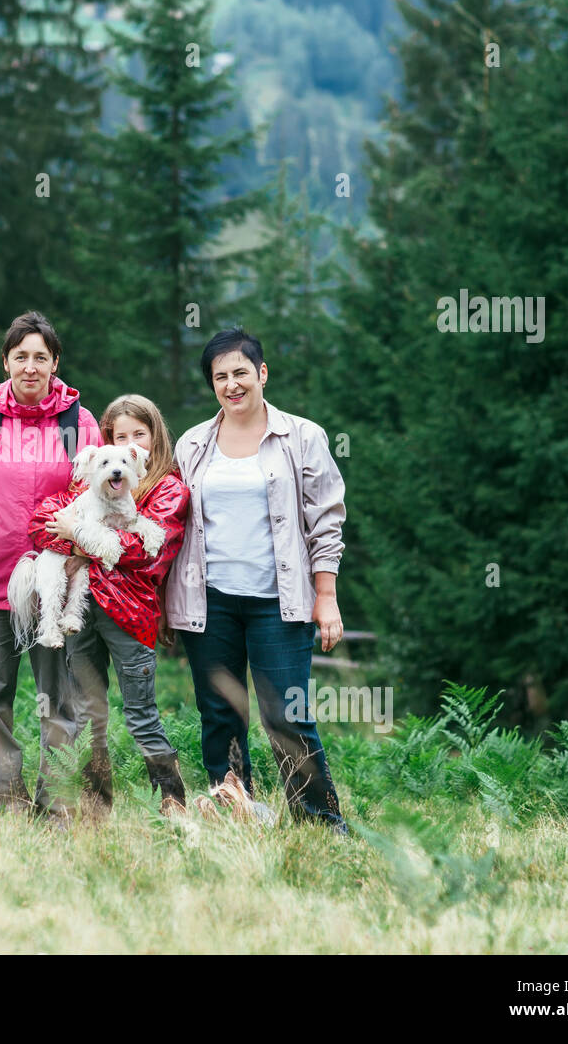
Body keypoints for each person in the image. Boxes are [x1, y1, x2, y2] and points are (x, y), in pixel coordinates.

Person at [164, 327, 349, 833]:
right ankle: (235, 815)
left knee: (287, 715)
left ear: (262, 373)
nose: (232, 384)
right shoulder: (193, 443)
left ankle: (320, 821)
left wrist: (326, 595)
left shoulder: (303, 437)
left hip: (279, 603)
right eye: (220, 376)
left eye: (241, 372)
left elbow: (326, 520)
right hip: (209, 602)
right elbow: (172, 522)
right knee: (220, 714)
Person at [0, 311, 103, 815]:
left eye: (40, 357)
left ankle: (58, 808)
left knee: (60, 701)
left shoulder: (79, 423)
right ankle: (1, 803)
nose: (30, 367)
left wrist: (83, 552)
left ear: (55, 363)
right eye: (20, 357)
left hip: (57, 585)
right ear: (6, 362)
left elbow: (100, 498)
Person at [28, 394, 191, 816]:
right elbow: (41, 524)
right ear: (107, 442)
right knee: (88, 717)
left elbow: (144, 552)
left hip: (131, 614)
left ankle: (173, 805)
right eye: (121, 436)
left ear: (155, 437)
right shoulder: (93, 478)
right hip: (81, 615)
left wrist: (78, 536)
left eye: (140, 434)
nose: (130, 444)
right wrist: (74, 539)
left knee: (141, 715)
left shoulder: (169, 489)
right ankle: (93, 812)